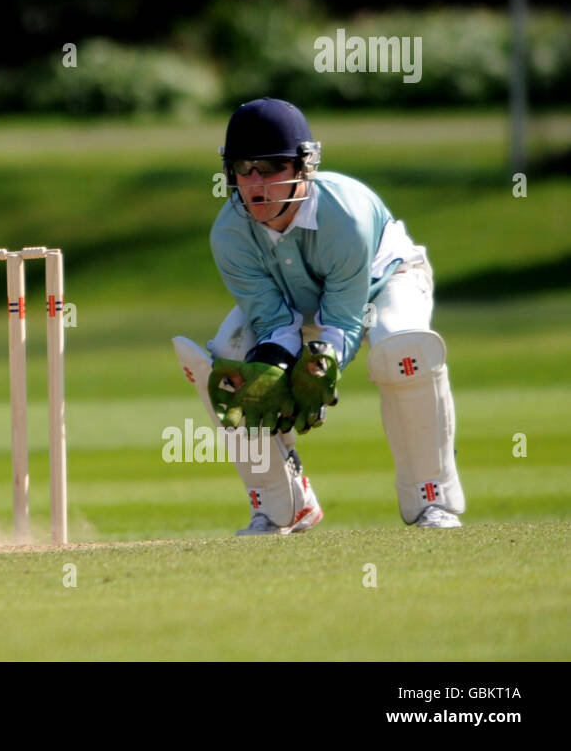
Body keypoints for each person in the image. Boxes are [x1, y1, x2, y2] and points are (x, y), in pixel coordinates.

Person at [173, 98, 464, 534]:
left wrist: (317, 371)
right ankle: (282, 504)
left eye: (269, 167)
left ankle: (432, 500)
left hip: (386, 282)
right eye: (243, 167)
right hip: (295, 300)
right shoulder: (229, 233)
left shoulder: (345, 214)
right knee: (227, 362)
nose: (255, 182)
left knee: (402, 348)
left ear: (304, 165)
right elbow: (273, 321)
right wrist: (272, 373)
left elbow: (344, 321)